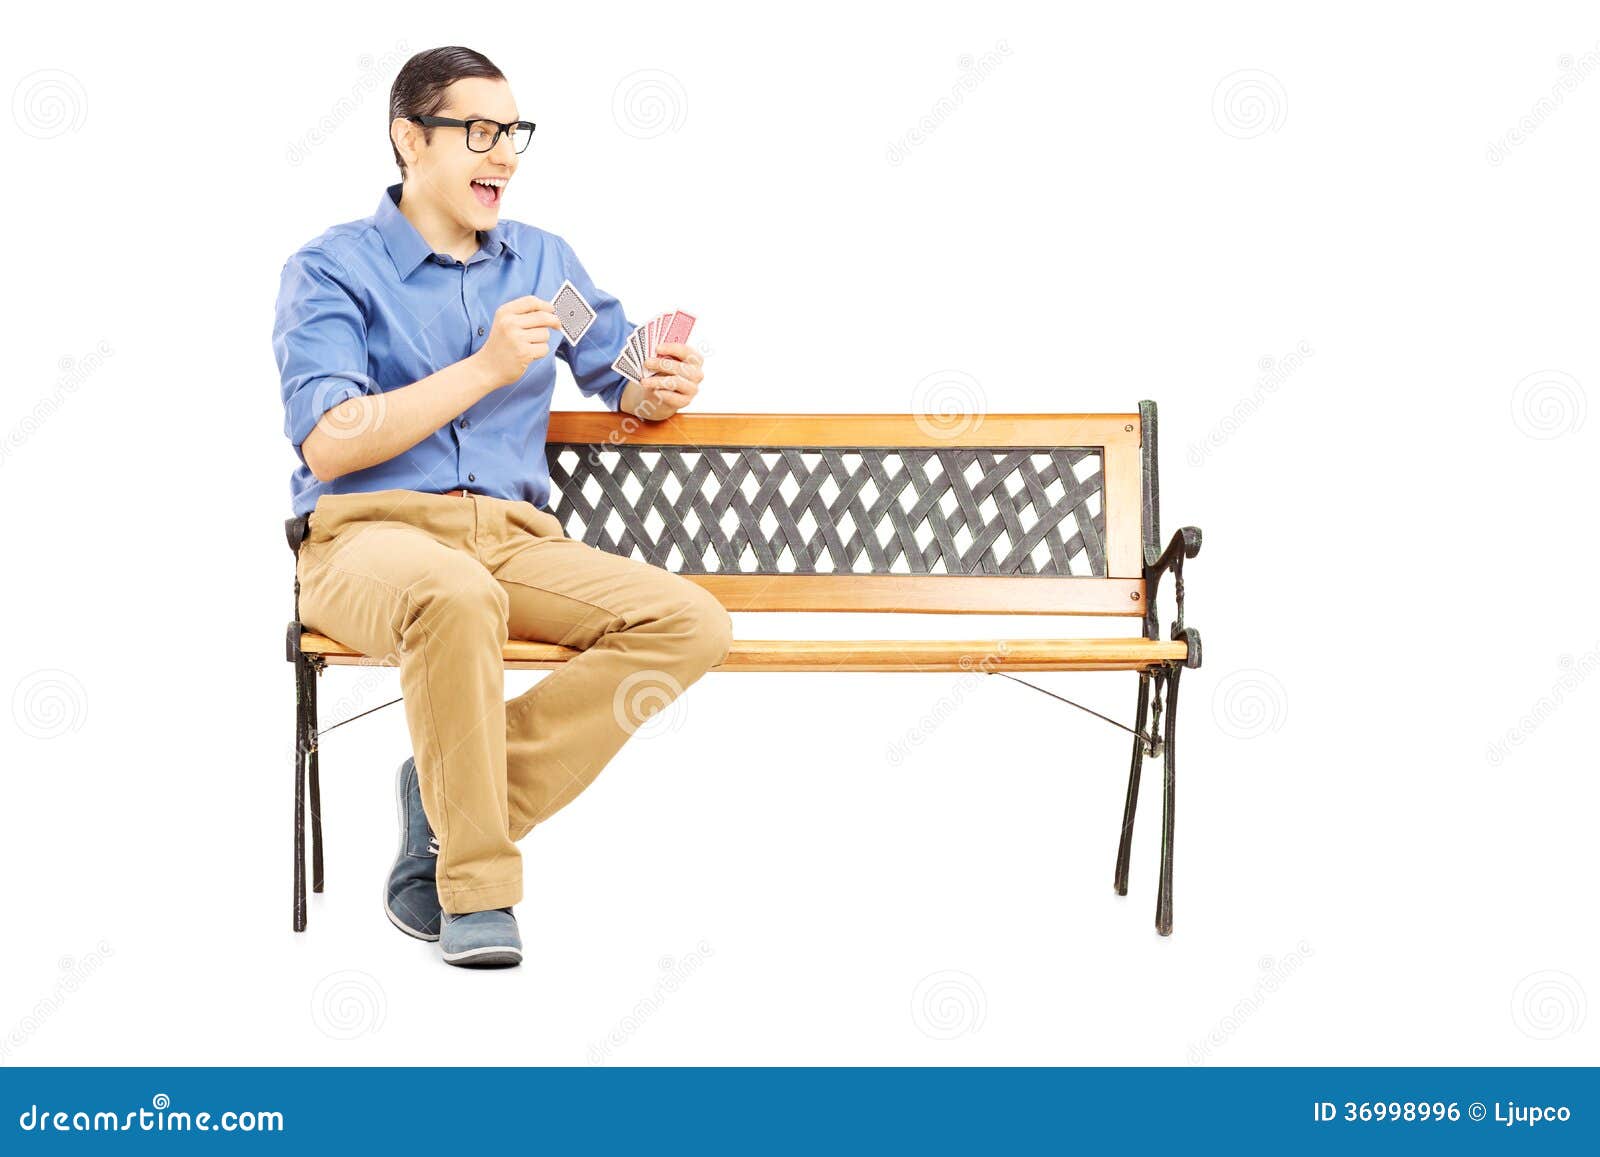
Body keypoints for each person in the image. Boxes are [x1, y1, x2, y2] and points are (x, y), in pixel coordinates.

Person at [272, 46, 732, 969]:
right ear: (411, 139)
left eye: (513, 133)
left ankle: (447, 795)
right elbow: (328, 438)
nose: (506, 156)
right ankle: (476, 883)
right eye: (480, 132)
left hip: (514, 540)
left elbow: (620, 376)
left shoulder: (542, 261)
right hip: (366, 538)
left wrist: (656, 386)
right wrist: (484, 368)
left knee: (688, 620)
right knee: (453, 594)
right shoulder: (332, 269)